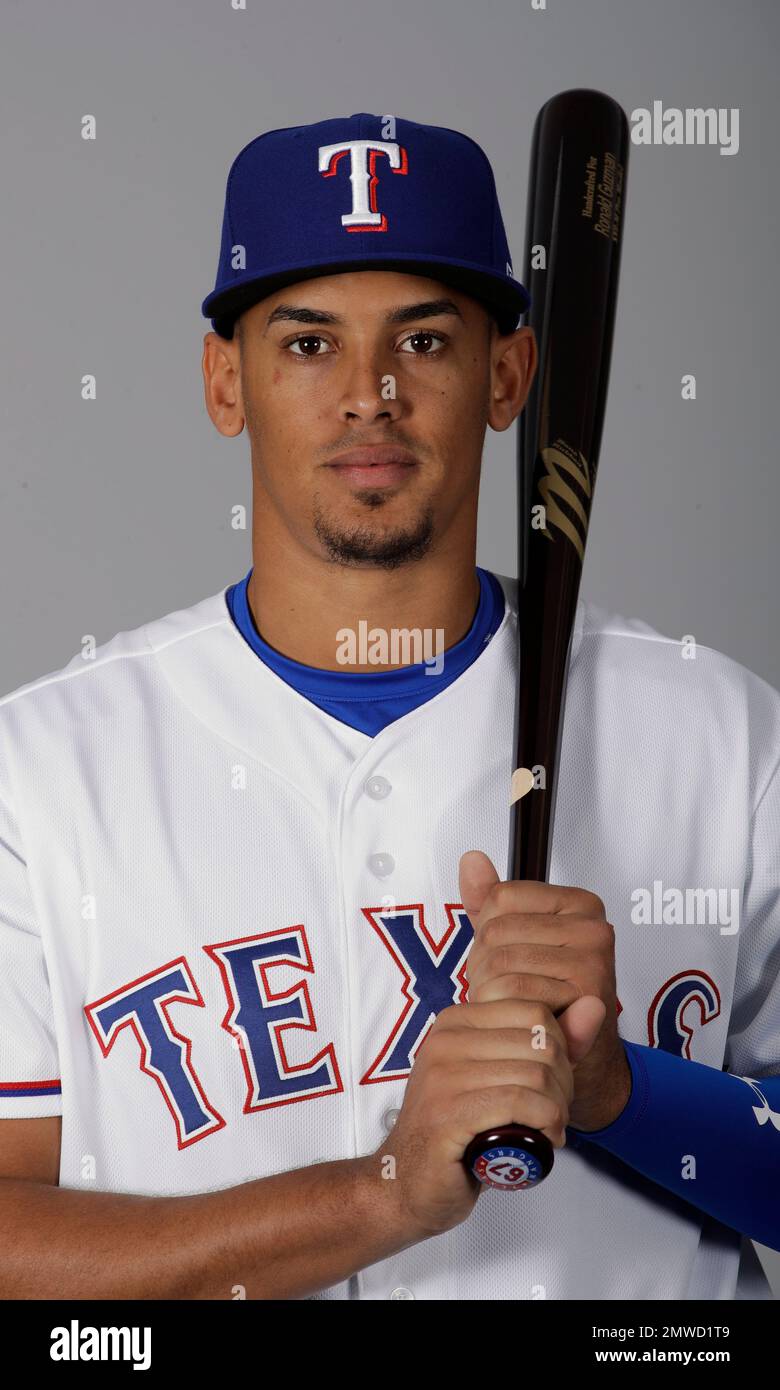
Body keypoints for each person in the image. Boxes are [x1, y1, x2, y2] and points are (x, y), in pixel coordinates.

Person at [0, 112, 777, 1301]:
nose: (369, 395)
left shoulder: (719, 737)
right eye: (308, 343)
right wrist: (381, 1194)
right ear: (225, 380)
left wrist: (620, 1087)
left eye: (423, 338)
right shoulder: (42, 768)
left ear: (512, 375)